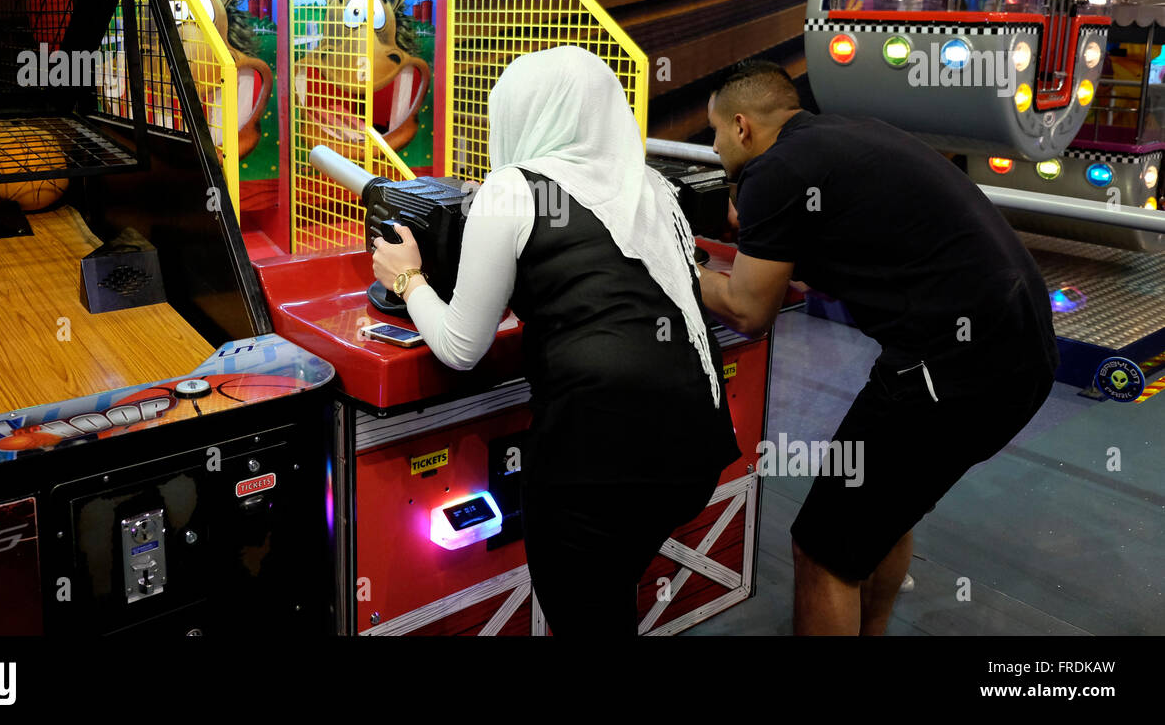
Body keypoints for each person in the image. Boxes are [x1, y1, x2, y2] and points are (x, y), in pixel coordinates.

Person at [370, 45, 739, 636]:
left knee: (584, 613)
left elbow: (462, 346)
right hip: (697, 452)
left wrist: (407, 279)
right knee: (608, 594)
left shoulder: (513, 189)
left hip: (597, 465)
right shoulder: (649, 187)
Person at [699, 58, 1057, 636]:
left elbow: (748, 311)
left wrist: (676, 267)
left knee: (822, 550)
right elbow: (846, 252)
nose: (713, 148)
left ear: (742, 127)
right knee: (879, 520)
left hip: (954, 369)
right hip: (1021, 349)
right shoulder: (842, 136)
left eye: (715, 132)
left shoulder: (776, 170)